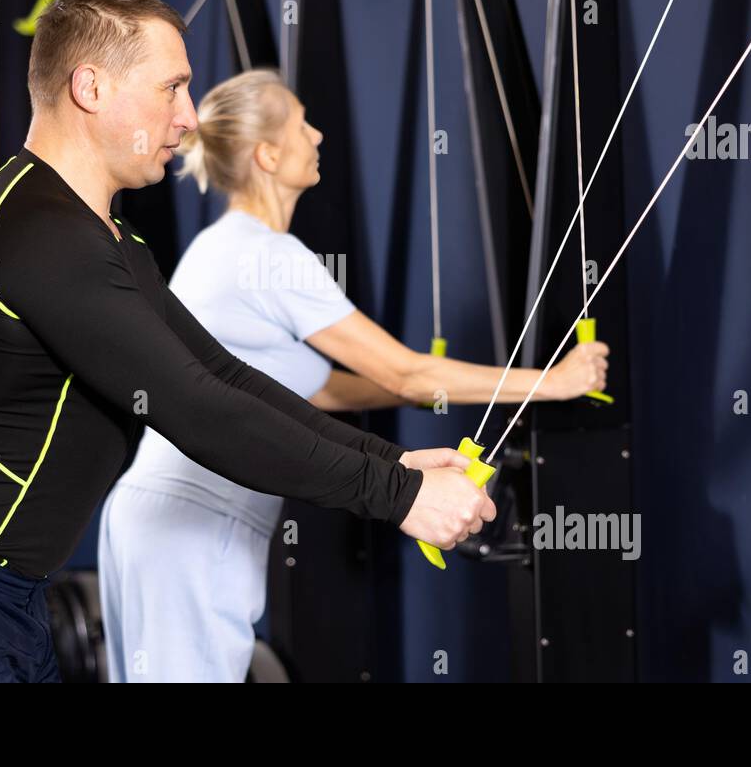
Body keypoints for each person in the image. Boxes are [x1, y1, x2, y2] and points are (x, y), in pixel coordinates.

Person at [0, 0, 493, 683]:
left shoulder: (105, 239)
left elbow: (224, 377)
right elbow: (197, 410)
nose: (189, 117)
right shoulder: (38, 232)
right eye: (171, 88)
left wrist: (394, 465)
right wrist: (397, 498)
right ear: (91, 88)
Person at [98, 69, 609, 682]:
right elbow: (408, 373)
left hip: (156, 519)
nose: (317, 134)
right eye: (301, 123)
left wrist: (421, 393)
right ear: (268, 154)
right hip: (194, 527)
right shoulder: (269, 255)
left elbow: (317, 391)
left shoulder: (224, 246)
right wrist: (559, 380)